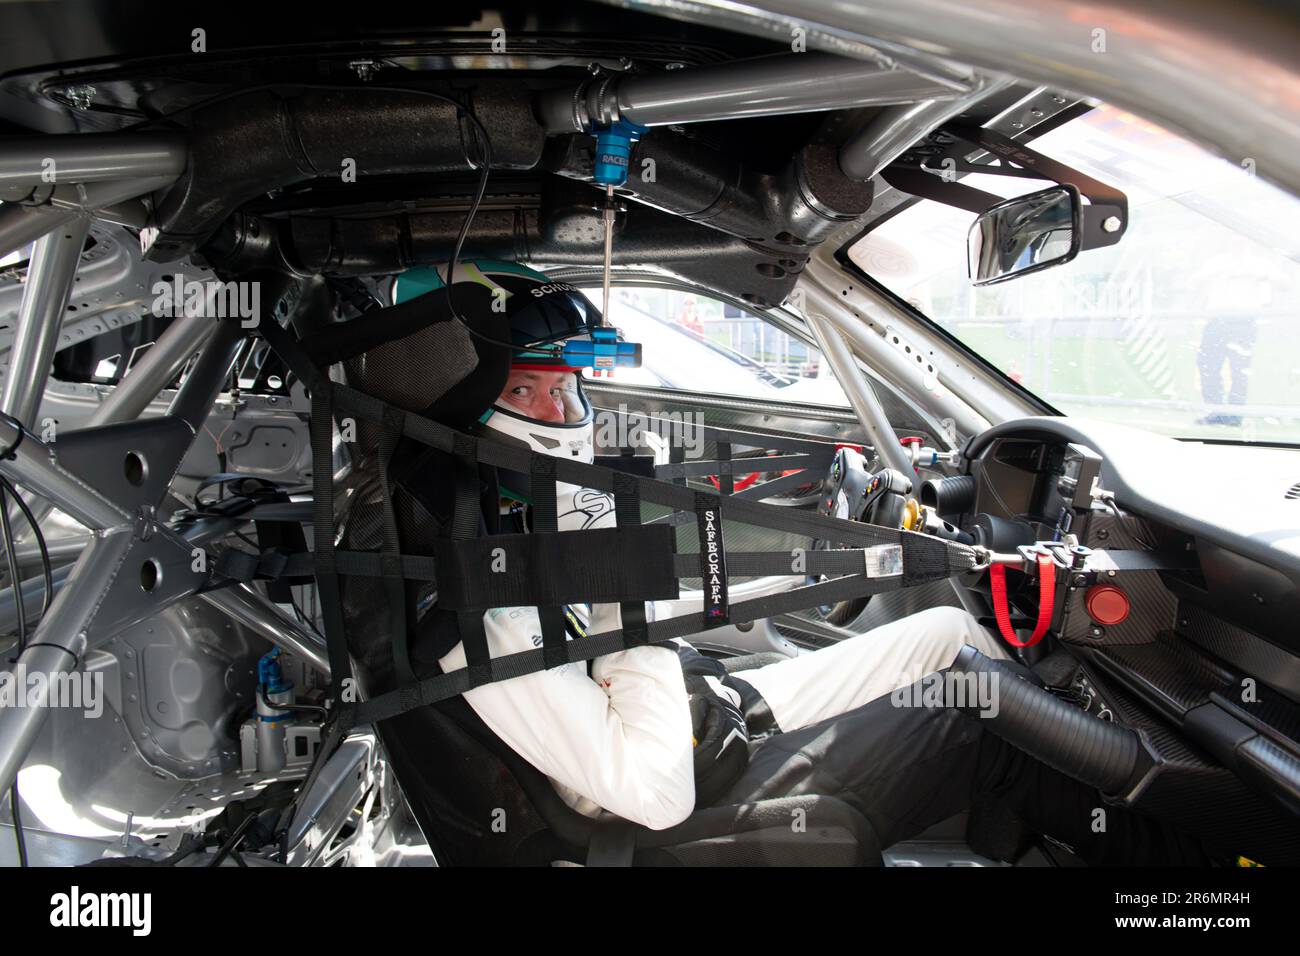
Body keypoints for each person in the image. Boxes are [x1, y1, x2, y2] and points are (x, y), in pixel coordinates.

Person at [436, 262, 1212, 864]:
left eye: (567, 389)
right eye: (528, 390)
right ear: (457, 401)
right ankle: (1206, 876)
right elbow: (653, 794)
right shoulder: (471, 611)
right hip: (670, 771)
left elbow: (612, 646)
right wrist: (617, 577)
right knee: (975, 713)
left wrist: (810, 569)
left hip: (698, 712)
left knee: (947, 632)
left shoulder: (492, 525)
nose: (559, 415)